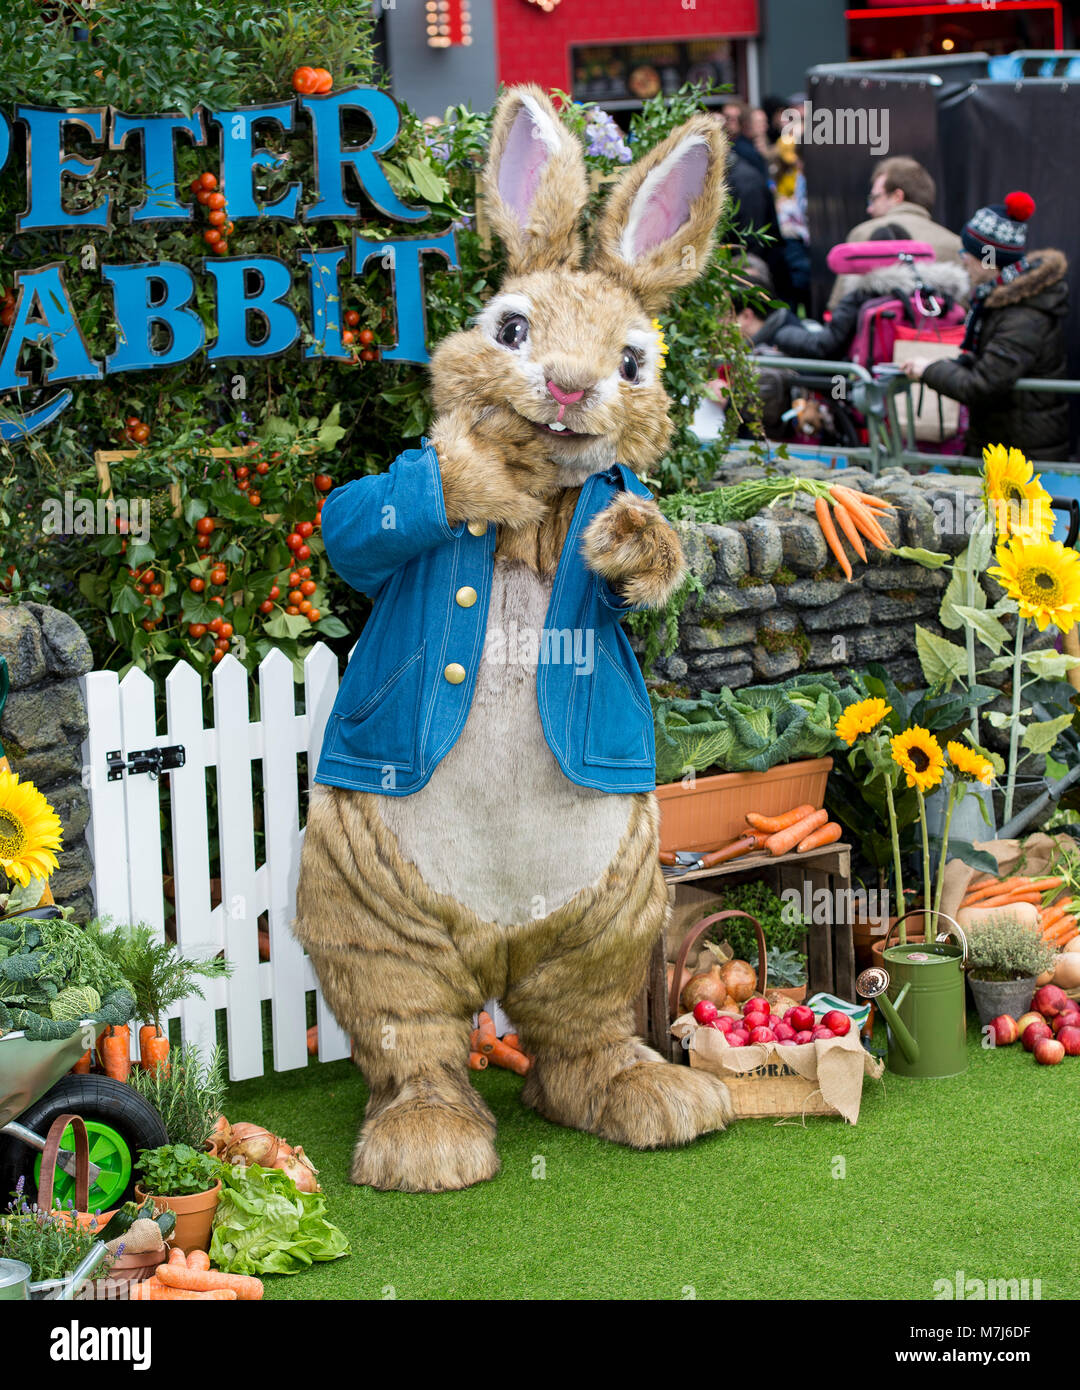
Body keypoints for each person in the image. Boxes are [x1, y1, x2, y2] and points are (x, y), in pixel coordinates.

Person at [902, 191, 1070, 462]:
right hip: (1008, 449)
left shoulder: (1023, 316)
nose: (963, 259)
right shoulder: (1001, 301)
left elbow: (982, 384)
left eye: (967, 252)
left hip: (1025, 460)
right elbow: (985, 367)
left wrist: (929, 370)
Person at [771, 224, 968, 360]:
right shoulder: (938, 296)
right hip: (940, 401)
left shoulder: (863, 294)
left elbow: (824, 346)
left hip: (873, 404)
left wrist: (783, 333)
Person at [829, 156, 962, 308]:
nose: (869, 208)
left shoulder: (862, 234)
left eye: (874, 198)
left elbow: (838, 306)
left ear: (897, 196)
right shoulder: (955, 244)